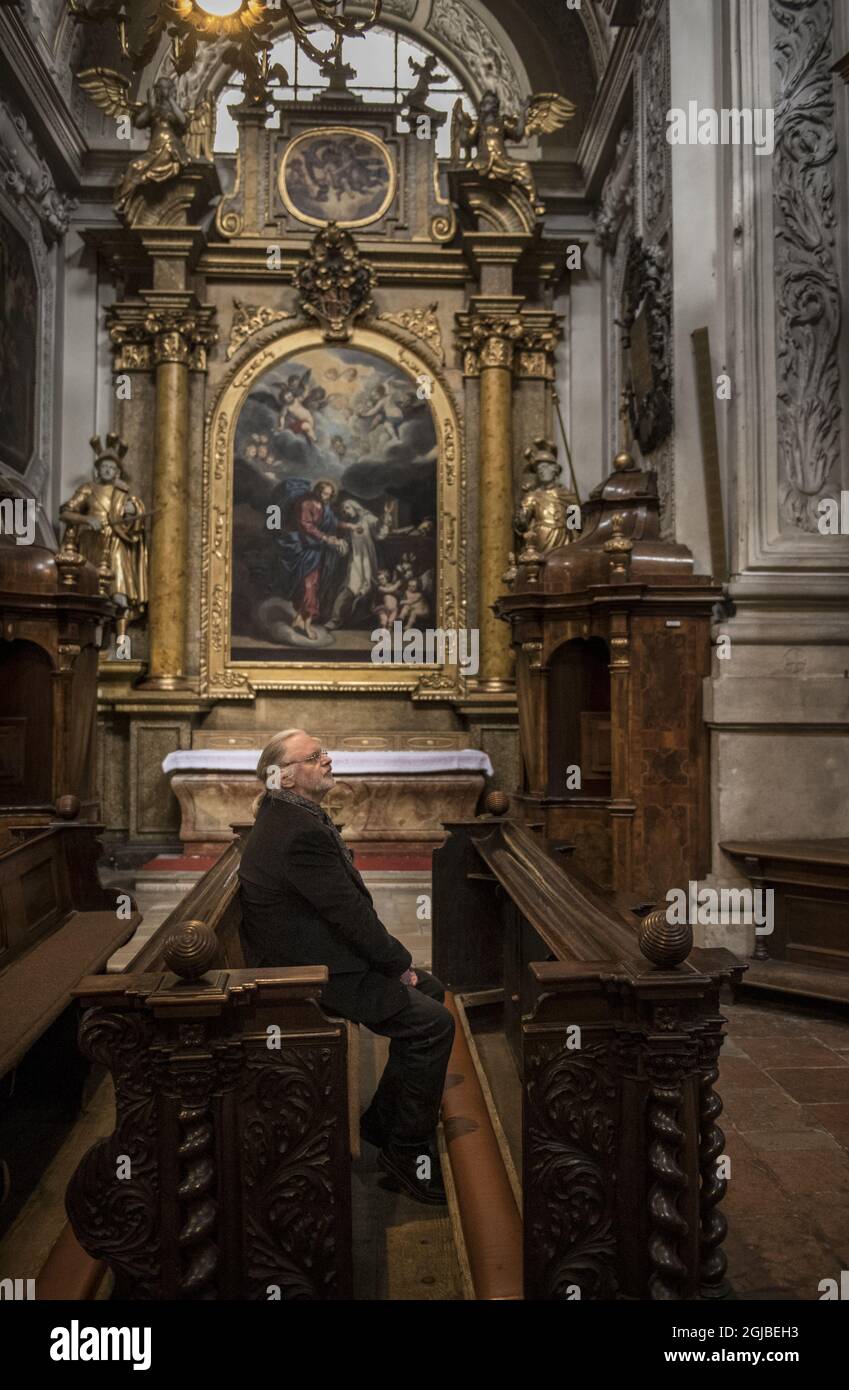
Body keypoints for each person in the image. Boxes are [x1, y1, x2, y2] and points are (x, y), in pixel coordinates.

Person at [238, 729, 454, 1205]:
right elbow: (349, 914)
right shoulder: (298, 832)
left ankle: (382, 1123)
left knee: (431, 991)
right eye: (314, 756)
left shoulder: (288, 815)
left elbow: (344, 911)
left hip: (315, 955)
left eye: (323, 752)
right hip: (308, 975)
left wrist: (395, 964)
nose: (328, 759)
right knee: (434, 1024)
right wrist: (397, 965)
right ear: (285, 776)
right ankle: (407, 1154)